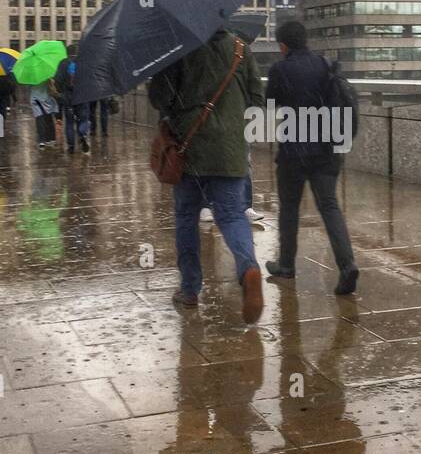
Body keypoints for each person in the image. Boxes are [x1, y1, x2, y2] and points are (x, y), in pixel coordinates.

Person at [149, 27, 265, 323]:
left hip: (189, 149)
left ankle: (189, 291)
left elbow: (160, 99)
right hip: (230, 151)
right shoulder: (241, 48)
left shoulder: (178, 51)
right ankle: (249, 269)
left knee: (187, 216)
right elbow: (256, 100)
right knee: (231, 215)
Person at [263, 20, 358, 295]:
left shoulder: (280, 69)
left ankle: (286, 265)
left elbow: (270, 106)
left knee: (290, 207)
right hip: (327, 150)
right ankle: (347, 264)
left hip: (294, 152)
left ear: (283, 46)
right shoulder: (325, 64)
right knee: (329, 206)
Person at [53, 57, 91, 154]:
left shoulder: (63, 63)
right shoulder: (84, 61)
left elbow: (57, 80)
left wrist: (61, 92)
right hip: (82, 96)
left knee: (69, 122)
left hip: (68, 97)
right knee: (83, 119)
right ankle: (82, 134)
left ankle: (71, 146)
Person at [30, 79, 60, 148]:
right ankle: (51, 139)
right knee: (49, 118)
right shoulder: (47, 75)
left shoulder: (31, 77)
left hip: (36, 99)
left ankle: (42, 141)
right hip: (46, 98)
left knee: (39, 120)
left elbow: (29, 87)